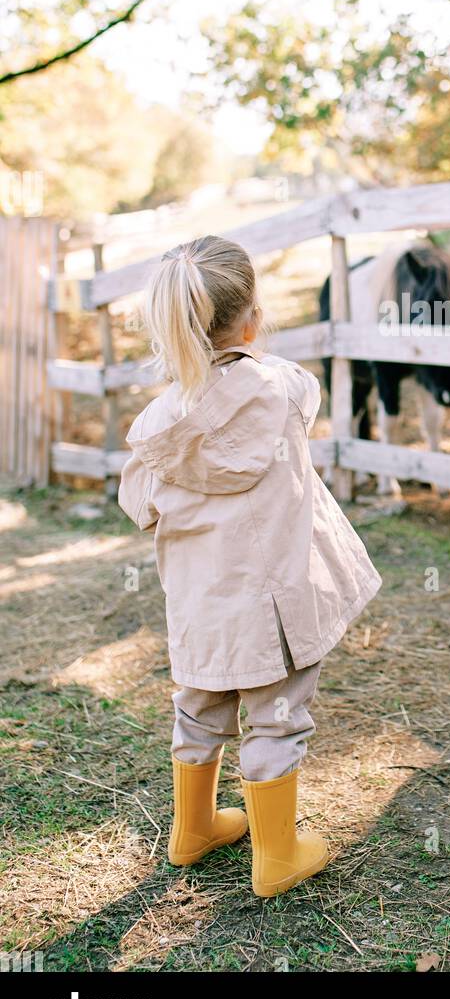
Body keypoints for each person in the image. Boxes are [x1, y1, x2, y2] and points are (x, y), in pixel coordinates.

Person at [118, 235, 381, 897]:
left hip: (202, 609)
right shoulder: (282, 390)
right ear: (253, 318)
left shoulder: (156, 428)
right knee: (275, 716)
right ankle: (277, 854)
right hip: (275, 607)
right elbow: (304, 397)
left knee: (199, 708)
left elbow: (138, 504)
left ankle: (195, 826)